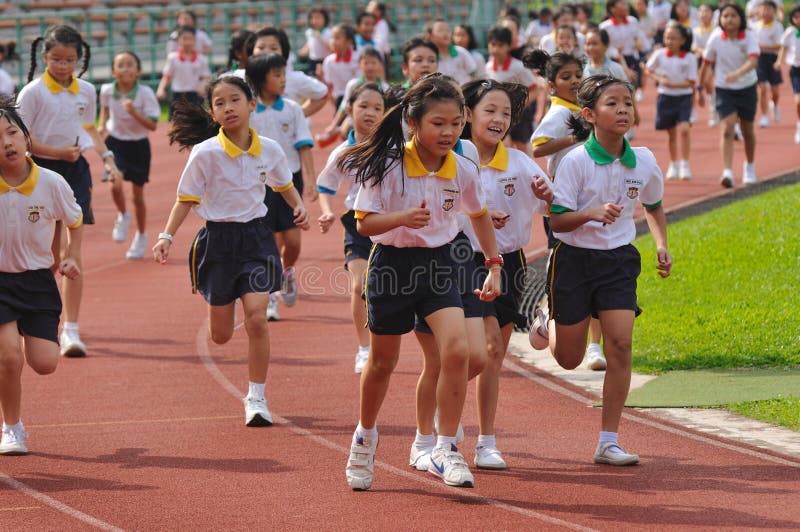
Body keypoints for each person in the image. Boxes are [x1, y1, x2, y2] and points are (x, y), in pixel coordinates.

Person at [339, 74, 502, 491]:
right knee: (382, 364)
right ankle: (365, 436)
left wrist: (494, 264)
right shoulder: (387, 165)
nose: (448, 132)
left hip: (440, 264)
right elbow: (365, 223)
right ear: (414, 123)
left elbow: (479, 214)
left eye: (455, 123)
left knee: (459, 351)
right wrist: (402, 218)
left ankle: (444, 448)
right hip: (392, 266)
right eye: (437, 123)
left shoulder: (463, 167)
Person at [529, 74, 672, 466]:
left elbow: (654, 204)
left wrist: (661, 244)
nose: (623, 109)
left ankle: (608, 440)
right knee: (570, 359)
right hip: (574, 260)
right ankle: (546, 320)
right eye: (613, 103)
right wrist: (591, 213)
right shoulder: (575, 161)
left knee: (621, 345)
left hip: (618, 261)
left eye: (628, 102)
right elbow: (556, 223)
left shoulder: (643, 160)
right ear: (590, 114)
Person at [153, 76, 309, 427]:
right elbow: (185, 200)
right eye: (220, 103)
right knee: (220, 336)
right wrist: (167, 236)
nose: (228, 107)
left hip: (256, 238)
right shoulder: (205, 153)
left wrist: (299, 207)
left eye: (234, 100)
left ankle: (256, 396)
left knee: (256, 316)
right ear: (213, 112)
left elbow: (284, 184)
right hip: (218, 242)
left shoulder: (269, 149)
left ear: (251, 104)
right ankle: (225, 307)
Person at [460, 79, 553, 470]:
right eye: (489, 111)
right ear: (469, 114)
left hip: (511, 264)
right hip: (464, 261)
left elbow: (554, 206)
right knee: (481, 353)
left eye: (505, 113)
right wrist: (476, 217)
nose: (499, 119)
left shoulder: (518, 162)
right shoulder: (454, 159)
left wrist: (551, 198)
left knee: (494, 355)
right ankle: (441, 407)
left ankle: (486, 441)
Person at [17, 24, 121, 358]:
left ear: (80, 58)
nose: (63, 66)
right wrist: (58, 153)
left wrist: (107, 158)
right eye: (56, 59)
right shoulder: (32, 92)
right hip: (38, 173)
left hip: (74, 172)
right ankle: (32, 313)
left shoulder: (87, 90)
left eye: (70, 60)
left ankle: (70, 329)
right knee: (42, 254)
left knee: (72, 252)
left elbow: (88, 126)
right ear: (44, 56)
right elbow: (24, 139)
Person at [0, 99, 83, 455]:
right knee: (9, 358)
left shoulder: (52, 183)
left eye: (12, 132)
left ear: (26, 137)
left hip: (37, 281)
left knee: (44, 363)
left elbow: (75, 222)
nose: (6, 142)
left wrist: (70, 255)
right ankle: (12, 428)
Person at [528, 49, 608, 371]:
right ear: (551, 85)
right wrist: (573, 137)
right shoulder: (560, 113)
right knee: (564, 266)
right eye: (566, 77)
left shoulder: (586, 107)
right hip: (565, 201)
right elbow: (537, 147)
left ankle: (594, 346)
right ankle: (548, 312)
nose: (574, 81)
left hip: (595, 197)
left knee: (601, 266)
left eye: (578, 75)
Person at [316, 82, 386, 372]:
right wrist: (326, 212)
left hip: (389, 224)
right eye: (363, 106)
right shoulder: (343, 153)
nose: (370, 112)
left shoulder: (394, 148)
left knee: (387, 290)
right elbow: (324, 185)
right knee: (360, 285)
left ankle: (385, 343)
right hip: (357, 223)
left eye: (377, 108)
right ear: (349, 110)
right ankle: (364, 347)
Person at [245, 54, 317, 321]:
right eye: (277, 75)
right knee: (270, 241)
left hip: (289, 181)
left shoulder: (292, 108)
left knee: (293, 241)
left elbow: (304, 145)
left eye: (284, 74)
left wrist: (310, 179)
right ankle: (271, 296)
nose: (283, 80)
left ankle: (287, 272)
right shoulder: (250, 110)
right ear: (262, 80)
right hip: (260, 183)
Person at [98, 51, 160, 260]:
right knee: (114, 182)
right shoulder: (107, 90)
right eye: (121, 65)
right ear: (114, 72)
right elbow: (105, 110)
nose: (125, 68)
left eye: (130, 64)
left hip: (139, 146)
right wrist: (100, 126)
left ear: (138, 71)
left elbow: (152, 125)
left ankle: (141, 236)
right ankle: (123, 215)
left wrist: (134, 112)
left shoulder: (145, 94)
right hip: (115, 143)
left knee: (137, 196)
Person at [698, 2, 760, 187]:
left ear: (740, 18)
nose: (729, 19)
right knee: (727, 129)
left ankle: (749, 166)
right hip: (725, 90)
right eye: (725, 16)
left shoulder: (748, 36)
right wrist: (700, 89)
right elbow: (706, 64)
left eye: (733, 16)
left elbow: (753, 61)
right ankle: (728, 171)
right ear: (720, 19)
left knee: (748, 130)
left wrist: (737, 73)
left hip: (747, 87)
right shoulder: (715, 37)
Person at [646, 21, 696, 180]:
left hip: (683, 97)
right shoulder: (660, 54)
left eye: (673, 38)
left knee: (684, 129)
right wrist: (659, 79)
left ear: (683, 40)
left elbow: (691, 81)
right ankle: (674, 163)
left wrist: (673, 84)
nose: (669, 41)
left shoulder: (689, 57)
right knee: (671, 133)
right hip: (665, 97)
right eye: (667, 38)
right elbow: (648, 69)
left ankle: (685, 164)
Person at [247, 27, 329, 118]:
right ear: (251, 51)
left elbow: (323, 93)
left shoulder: (294, 78)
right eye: (261, 47)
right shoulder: (242, 79)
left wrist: (297, 115)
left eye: (274, 48)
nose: (267, 52)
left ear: (283, 52)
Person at [485, 26, 538, 155]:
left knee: (521, 146)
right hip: (499, 115)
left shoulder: (518, 67)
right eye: (493, 44)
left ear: (509, 46)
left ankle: (527, 172)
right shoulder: (488, 67)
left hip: (519, 115)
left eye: (501, 45)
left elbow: (535, 90)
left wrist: (518, 106)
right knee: (502, 145)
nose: (496, 49)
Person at [156, 26, 211, 119]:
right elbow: (167, 76)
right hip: (178, 95)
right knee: (176, 122)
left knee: (197, 122)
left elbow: (205, 77)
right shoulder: (173, 58)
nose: (188, 42)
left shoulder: (201, 59)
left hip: (195, 95)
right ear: (178, 41)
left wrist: (202, 86)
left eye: (191, 39)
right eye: (185, 39)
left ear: (195, 41)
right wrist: (161, 89)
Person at [754, 0, 785, 128]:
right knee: (761, 89)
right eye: (763, 9)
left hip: (773, 59)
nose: (765, 12)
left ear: (774, 11)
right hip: (759, 59)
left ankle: (775, 105)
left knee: (775, 91)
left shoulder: (777, 26)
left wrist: (765, 47)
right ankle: (764, 116)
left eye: (768, 9)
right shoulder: (755, 26)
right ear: (758, 11)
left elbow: (779, 46)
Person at [425, 19, 477, 85]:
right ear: (429, 36)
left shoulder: (461, 52)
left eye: (447, 30)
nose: (445, 33)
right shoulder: (429, 59)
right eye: (440, 30)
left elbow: (474, 75)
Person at [321, 24, 359, 112]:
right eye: (332, 38)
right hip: (338, 99)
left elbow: (360, 83)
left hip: (356, 98)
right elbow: (329, 86)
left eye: (337, 38)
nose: (332, 41)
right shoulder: (328, 61)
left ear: (348, 42)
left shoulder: (357, 59)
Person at [777, 3, 800, 144]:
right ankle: (799, 124)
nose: (798, 19)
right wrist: (779, 61)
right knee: (798, 101)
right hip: (796, 69)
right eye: (796, 17)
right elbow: (783, 48)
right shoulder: (789, 32)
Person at [692, 4, 718, 126]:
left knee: (708, 83)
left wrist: (708, 53)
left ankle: (714, 111)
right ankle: (692, 111)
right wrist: (704, 52)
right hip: (699, 60)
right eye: (701, 11)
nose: (703, 14)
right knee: (701, 85)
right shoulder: (695, 30)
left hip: (713, 61)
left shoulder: (716, 30)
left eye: (706, 11)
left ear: (712, 14)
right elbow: (694, 47)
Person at [298, 8, 332, 78]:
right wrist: (304, 50)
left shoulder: (328, 32)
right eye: (312, 18)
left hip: (325, 60)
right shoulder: (309, 32)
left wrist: (319, 37)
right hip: (312, 61)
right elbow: (310, 43)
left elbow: (331, 48)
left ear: (325, 19)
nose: (315, 20)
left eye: (318, 18)